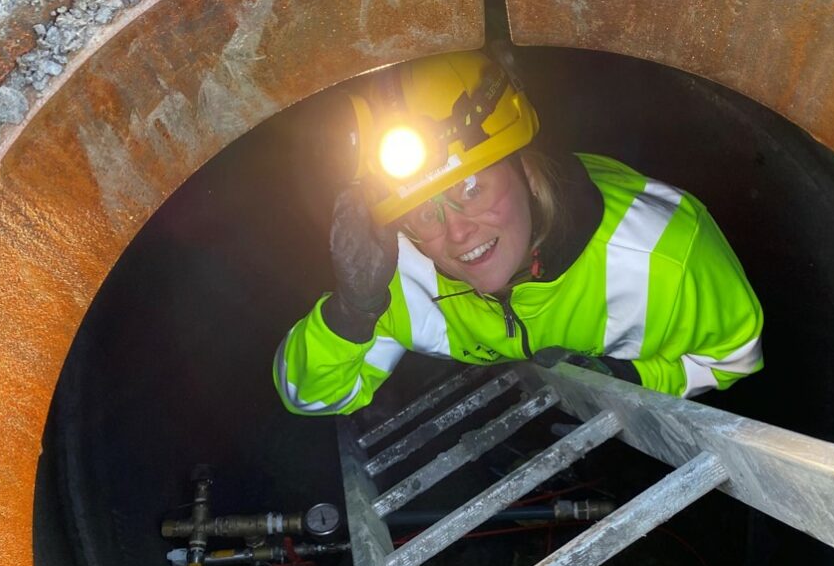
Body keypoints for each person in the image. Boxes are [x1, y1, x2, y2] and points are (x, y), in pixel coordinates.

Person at [275, 50, 763, 415]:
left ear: (527, 171)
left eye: (471, 190)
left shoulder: (665, 255)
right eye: (424, 213)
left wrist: (626, 377)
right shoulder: (400, 278)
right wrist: (352, 312)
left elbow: (731, 360)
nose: (459, 232)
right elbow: (312, 397)